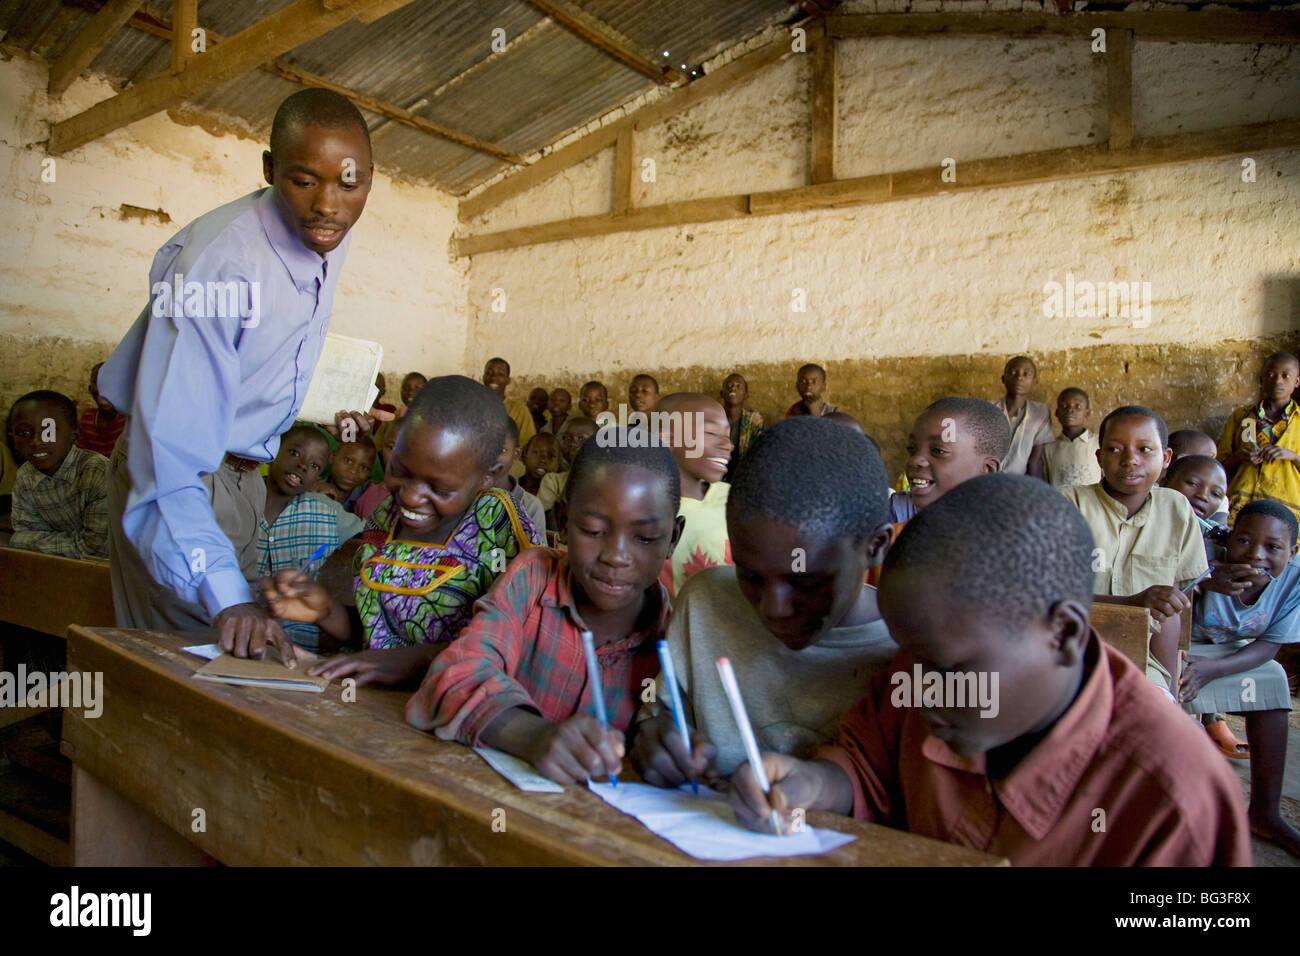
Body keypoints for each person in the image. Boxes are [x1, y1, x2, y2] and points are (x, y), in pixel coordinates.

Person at [728, 474, 1251, 866]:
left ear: (1064, 635)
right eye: (909, 657)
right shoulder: (926, 666)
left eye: (949, 669)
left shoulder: (1176, 801)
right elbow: (869, 771)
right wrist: (813, 784)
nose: (922, 691)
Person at [97, 88, 376, 664]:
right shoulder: (220, 266)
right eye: (304, 180)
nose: (329, 204)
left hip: (247, 479)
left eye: (350, 184)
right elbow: (165, 457)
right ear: (270, 169)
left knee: (240, 667)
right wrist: (225, 596)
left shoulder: (327, 236)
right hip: (183, 484)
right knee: (182, 666)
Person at [631, 418, 896, 788]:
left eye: (805, 581)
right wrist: (656, 737)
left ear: (876, 546)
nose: (774, 608)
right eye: (751, 575)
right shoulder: (706, 605)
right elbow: (661, 716)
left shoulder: (907, 653)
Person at [406, 432, 682, 785]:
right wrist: (534, 736)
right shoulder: (533, 579)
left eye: (644, 538)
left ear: (673, 538)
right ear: (563, 520)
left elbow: (677, 734)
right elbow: (455, 675)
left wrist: (668, 747)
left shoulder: (674, 638)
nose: (616, 556)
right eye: (594, 530)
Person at [264, 376, 541, 688]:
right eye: (400, 471)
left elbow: (520, 646)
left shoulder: (497, 525)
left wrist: (414, 662)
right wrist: (325, 610)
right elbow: (375, 633)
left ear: (488, 475)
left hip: (449, 711)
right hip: (366, 701)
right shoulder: (386, 516)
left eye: (439, 487)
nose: (409, 497)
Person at [1182, 499, 1300, 857]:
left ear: (1292, 552)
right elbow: (1166, 603)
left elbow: (1269, 645)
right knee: (1174, 692)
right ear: (1229, 538)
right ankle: (1183, 814)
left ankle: (1264, 813)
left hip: (1233, 654)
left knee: (1274, 680)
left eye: (1273, 547)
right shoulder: (1203, 555)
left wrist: (1212, 669)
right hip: (1183, 645)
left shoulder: (1294, 579)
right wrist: (1202, 581)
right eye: (1244, 541)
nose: (1256, 554)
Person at [1061, 405, 1206, 694]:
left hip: (1146, 661)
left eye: (1144, 449)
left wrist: (1171, 681)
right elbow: (1046, 594)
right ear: (1099, 458)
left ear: (1165, 458)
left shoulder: (1176, 508)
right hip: (1070, 650)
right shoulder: (1068, 504)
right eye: (1115, 450)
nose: (1130, 460)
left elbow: (1179, 599)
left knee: (1155, 708)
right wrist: (1129, 604)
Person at [257, 425, 362, 650]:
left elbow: (375, 535)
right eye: (294, 453)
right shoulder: (243, 495)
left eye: (314, 466)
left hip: (299, 646)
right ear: (273, 451)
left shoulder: (328, 512)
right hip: (239, 630)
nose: (303, 466)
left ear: (318, 477)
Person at [7, 390, 109, 560]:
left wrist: (28, 541)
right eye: (23, 433)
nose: (36, 442)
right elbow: (24, 536)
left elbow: (98, 549)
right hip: (58, 569)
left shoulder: (97, 472)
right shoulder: (25, 476)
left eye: (49, 431)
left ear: (74, 435)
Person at [655, 393, 734, 596]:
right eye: (711, 432)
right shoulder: (643, 506)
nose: (728, 444)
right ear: (666, 439)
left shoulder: (737, 499)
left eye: (727, 433)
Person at [886, 397, 1009, 524]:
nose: (915, 460)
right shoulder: (896, 512)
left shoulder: (1005, 526)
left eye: (938, 451)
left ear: (987, 470)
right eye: (912, 449)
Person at [1219, 352, 1300, 523]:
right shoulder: (1241, 417)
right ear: (1262, 379)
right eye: (1271, 375)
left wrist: (1293, 456)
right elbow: (1218, 469)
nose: (1278, 381)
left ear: (1297, 382)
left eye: (1286, 376)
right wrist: (1239, 456)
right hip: (1240, 507)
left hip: (1286, 511)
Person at [992, 355, 1053, 475]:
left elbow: (1035, 460)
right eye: (1013, 373)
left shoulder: (1040, 412)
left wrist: (1032, 489)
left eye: (1026, 374)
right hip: (989, 480)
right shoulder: (989, 409)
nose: (1019, 377)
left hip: (1020, 482)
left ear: (1034, 381)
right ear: (1003, 378)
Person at [1030, 387, 1100, 488]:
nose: (1070, 410)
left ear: (1087, 413)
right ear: (1057, 413)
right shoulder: (1048, 448)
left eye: (1078, 406)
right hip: (1060, 502)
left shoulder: (1098, 443)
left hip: (1091, 503)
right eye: (1064, 406)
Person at [492, 418, 546, 537]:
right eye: (485, 448)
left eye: (502, 450)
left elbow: (536, 554)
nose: (492, 457)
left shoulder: (530, 506)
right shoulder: (462, 498)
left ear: (516, 453)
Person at [481, 357, 537, 451]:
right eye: (489, 373)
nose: (494, 377)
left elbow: (527, 445)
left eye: (500, 374)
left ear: (508, 380)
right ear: (483, 377)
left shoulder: (520, 410)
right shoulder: (471, 406)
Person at [76, 362, 126, 458]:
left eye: (110, 382)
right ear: (90, 389)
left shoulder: (128, 419)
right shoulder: (87, 420)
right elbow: (83, 457)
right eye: (97, 382)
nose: (103, 388)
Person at [720, 373, 763, 480]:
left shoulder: (754, 420)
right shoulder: (712, 418)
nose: (733, 388)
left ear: (746, 395)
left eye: (739, 386)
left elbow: (759, 453)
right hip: (716, 478)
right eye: (729, 386)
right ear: (722, 393)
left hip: (745, 477)